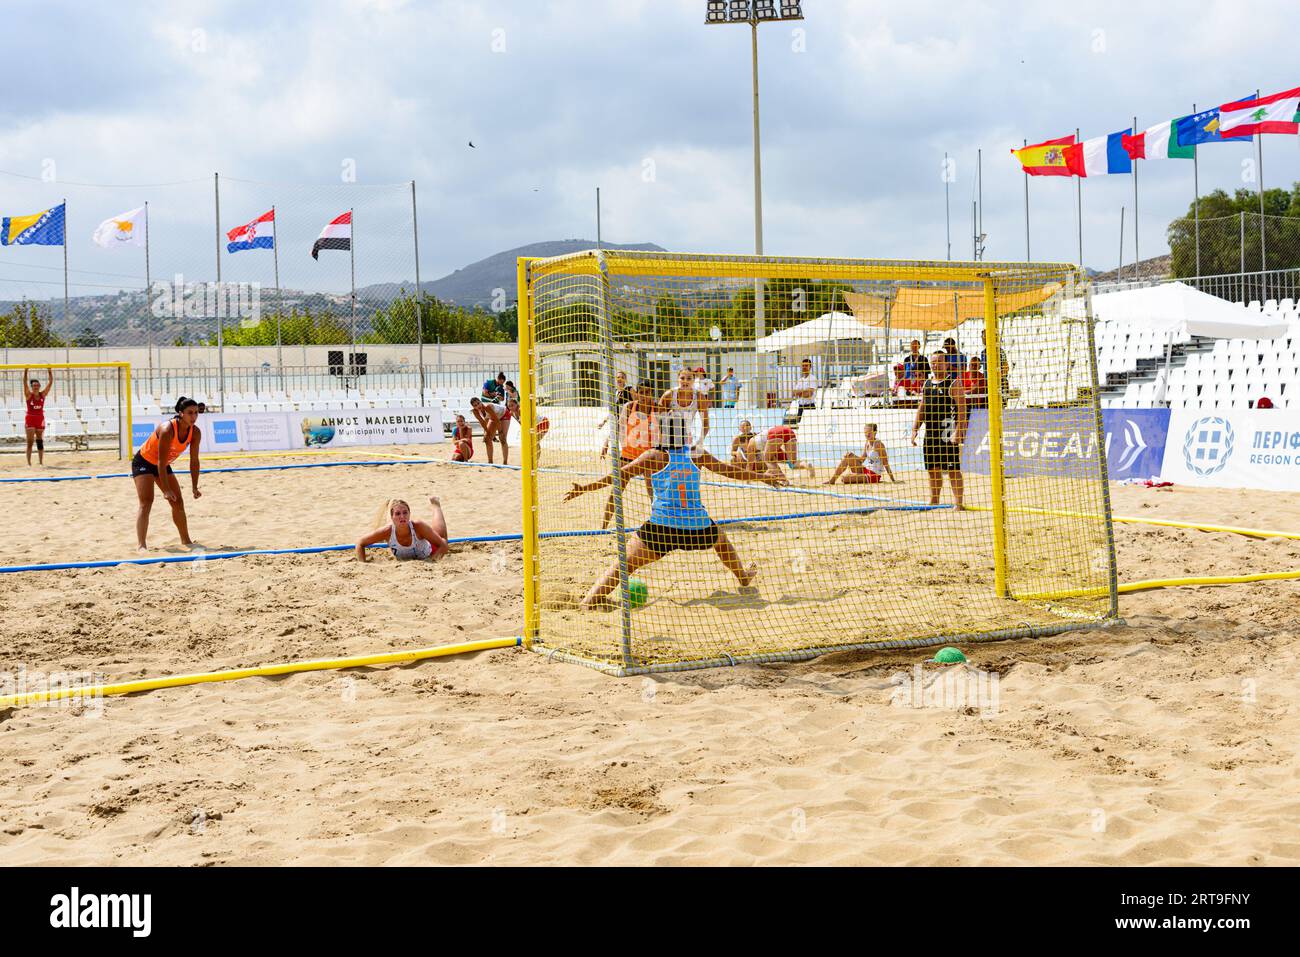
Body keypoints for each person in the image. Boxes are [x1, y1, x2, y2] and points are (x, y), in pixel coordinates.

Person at [564, 420, 775, 609]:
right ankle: (743, 577)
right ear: (686, 436)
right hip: (697, 527)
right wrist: (762, 477)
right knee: (721, 542)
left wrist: (585, 487)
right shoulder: (697, 453)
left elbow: (618, 475)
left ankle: (589, 602)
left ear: (662, 436)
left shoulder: (654, 455)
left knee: (622, 564)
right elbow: (731, 472)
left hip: (661, 528)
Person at [133, 396, 203, 550]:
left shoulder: (195, 432)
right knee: (146, 502)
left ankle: (186, 541)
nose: (194, 416)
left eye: (196, 413)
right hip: (144, 462)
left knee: (178, 502)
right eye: (190, 413)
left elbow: (194, 461)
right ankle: (141, 546)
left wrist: (194, 486)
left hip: (162, 465)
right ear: (180, 413)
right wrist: (165, 489)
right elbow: (160, 461)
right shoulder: (167, 429)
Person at [596, 384, 658, 528]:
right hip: (628, 455)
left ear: (652, 393)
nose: (644, 395)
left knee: (653, 493)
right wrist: (606, 444)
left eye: (647, 392)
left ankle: (658, 524)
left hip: (647, 457)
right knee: (616, 490)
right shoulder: (630, 407)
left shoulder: (657, 408)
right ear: (636, 393)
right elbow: (618, 427)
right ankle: (604, 526)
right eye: (641, 392)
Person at [911, 352, 967, 509]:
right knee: (932, 469)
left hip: (947, 433)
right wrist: (915, 428)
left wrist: (958, 431)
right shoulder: (927, 383)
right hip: (930, 433)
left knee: (953, 469)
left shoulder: (953, 383)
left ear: (947, 364)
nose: (936, 365)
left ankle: (958, 503)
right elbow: (922, 407)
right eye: (933, 362)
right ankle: (934, 499)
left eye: (939, 361)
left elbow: (962, 409)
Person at [356, 496, 449, 562]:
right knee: (391, 525)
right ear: (392, 516)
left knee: (441, 537)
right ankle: (391, 505)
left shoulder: (418, 525)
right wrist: (362, 564)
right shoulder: (386, 531)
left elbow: (443, 546)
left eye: (405, 513)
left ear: (409, 514)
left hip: (429, 551)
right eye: (398, 514)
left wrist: (431, 561)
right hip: (391, 527)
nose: (402, 516)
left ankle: (436, 505)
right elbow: (360, 543)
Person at [825, 423, 897, 485]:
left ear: (875, 432)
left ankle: (856, 476)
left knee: (844, 479)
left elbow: (886, 463)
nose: (867, 434)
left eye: (869, 432)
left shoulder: (878, 444)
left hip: (873, 475)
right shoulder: (867, 443)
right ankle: (832, 480)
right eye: (865, 432)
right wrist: (852, 455)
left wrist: (893, 479)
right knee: (847, 457)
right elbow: (861, 460)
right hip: (865, 470)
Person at [660, 367, 709, 450]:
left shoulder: (699, 397)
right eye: (682, 378)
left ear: (694, 380)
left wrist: (699, 443)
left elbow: (706, 424)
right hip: (668, 437)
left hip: (687, 438)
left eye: (689, 378)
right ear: (678, 379)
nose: (685, 381)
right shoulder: (669, 395)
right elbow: (658, 419)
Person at [746, 423, 811, 482]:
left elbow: (749, 464)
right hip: (789, 431)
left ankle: (783, 478)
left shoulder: (751, 444)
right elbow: (774, 460)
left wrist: (747, 480)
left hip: (775, 433)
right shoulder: (762, 440)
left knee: (767, 460)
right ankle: (807, 465)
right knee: (792, 462)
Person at [22, 366, 52, 467]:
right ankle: (29, 463)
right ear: (32, 387)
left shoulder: (42, 395)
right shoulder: (28, 395)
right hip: (30, 419)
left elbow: (50, 383)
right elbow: (24, 383)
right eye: (34, 385)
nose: (36, 386)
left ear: (39, 386)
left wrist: (49, 371)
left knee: (40, 441)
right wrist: (26, 371)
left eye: (37, 385)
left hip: (39, 419)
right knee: (30, 442)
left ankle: (40, 462)